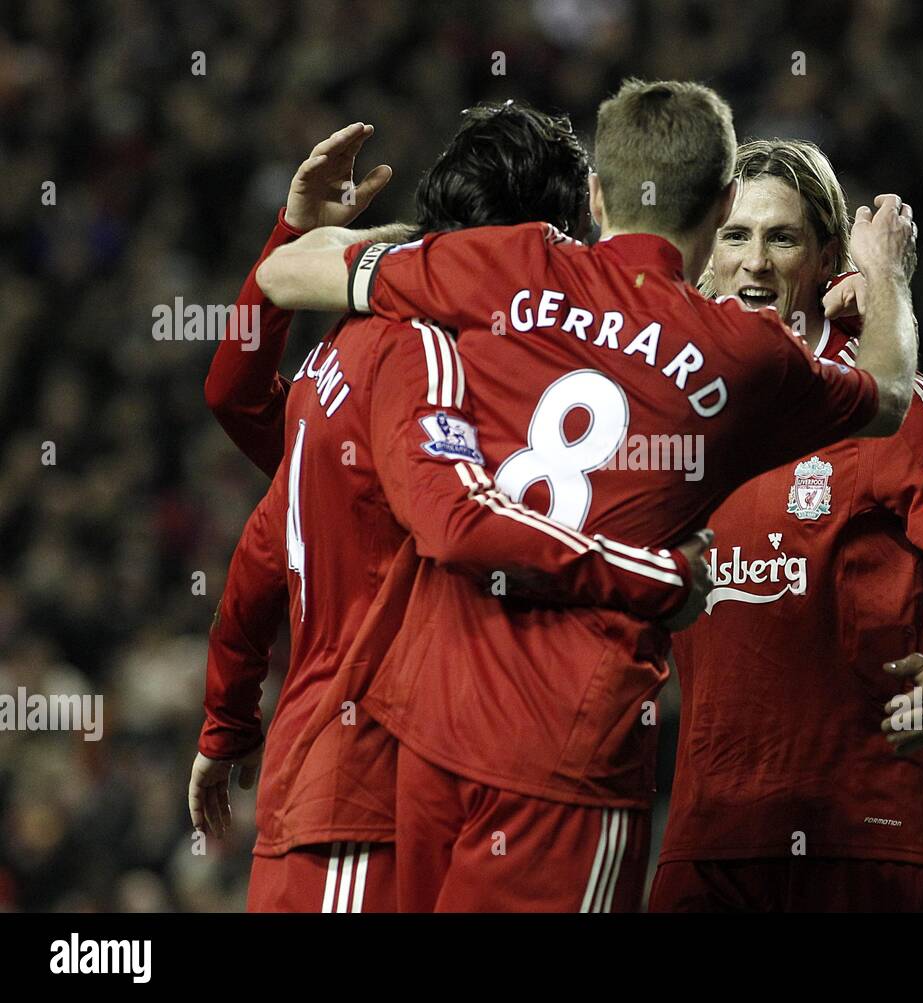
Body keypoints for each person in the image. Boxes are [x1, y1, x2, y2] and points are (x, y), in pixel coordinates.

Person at [256, 78, 918, 910]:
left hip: (431, 724)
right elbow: (890, 393)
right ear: (720, 208)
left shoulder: (503, 263)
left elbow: (284, 273)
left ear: (600, 192)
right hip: (569, 748)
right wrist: (884, 272)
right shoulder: (745, 356)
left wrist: (427, 243)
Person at [191, 108, 712, 912]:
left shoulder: (343, 348)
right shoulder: (441, 364)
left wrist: (225, 724)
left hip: (315, 776)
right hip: (374, 779)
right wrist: (656, 578)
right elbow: (458, 521)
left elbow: (240, 441)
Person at [647, 139, 923, 912]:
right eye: (735, 235)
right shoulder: (665, 412)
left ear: (828, 259)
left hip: (873, 835)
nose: (755, 262)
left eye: (781, 238)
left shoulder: (899, 406)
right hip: (712, 837)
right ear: (705, 254)